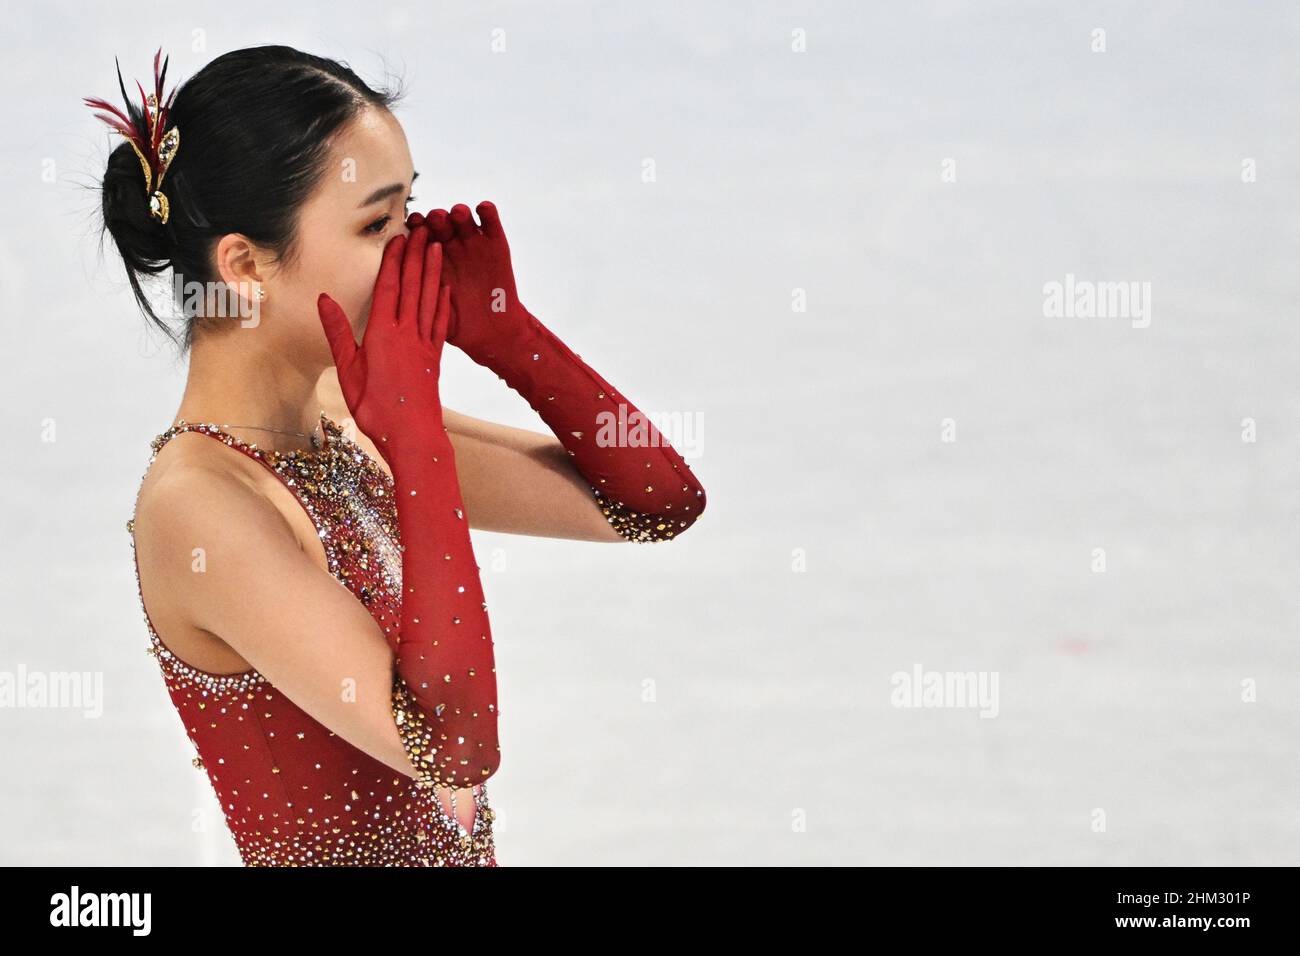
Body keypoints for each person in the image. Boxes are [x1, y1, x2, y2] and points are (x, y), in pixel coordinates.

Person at [91, 45, 707, 866]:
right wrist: (414, 443)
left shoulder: (347, 422)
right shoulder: (200, 505)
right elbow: (455, 749)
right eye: (377, 225)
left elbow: (659, 504)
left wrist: (511, 338)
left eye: (409, 212)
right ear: (244, 266)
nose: (415, 250)